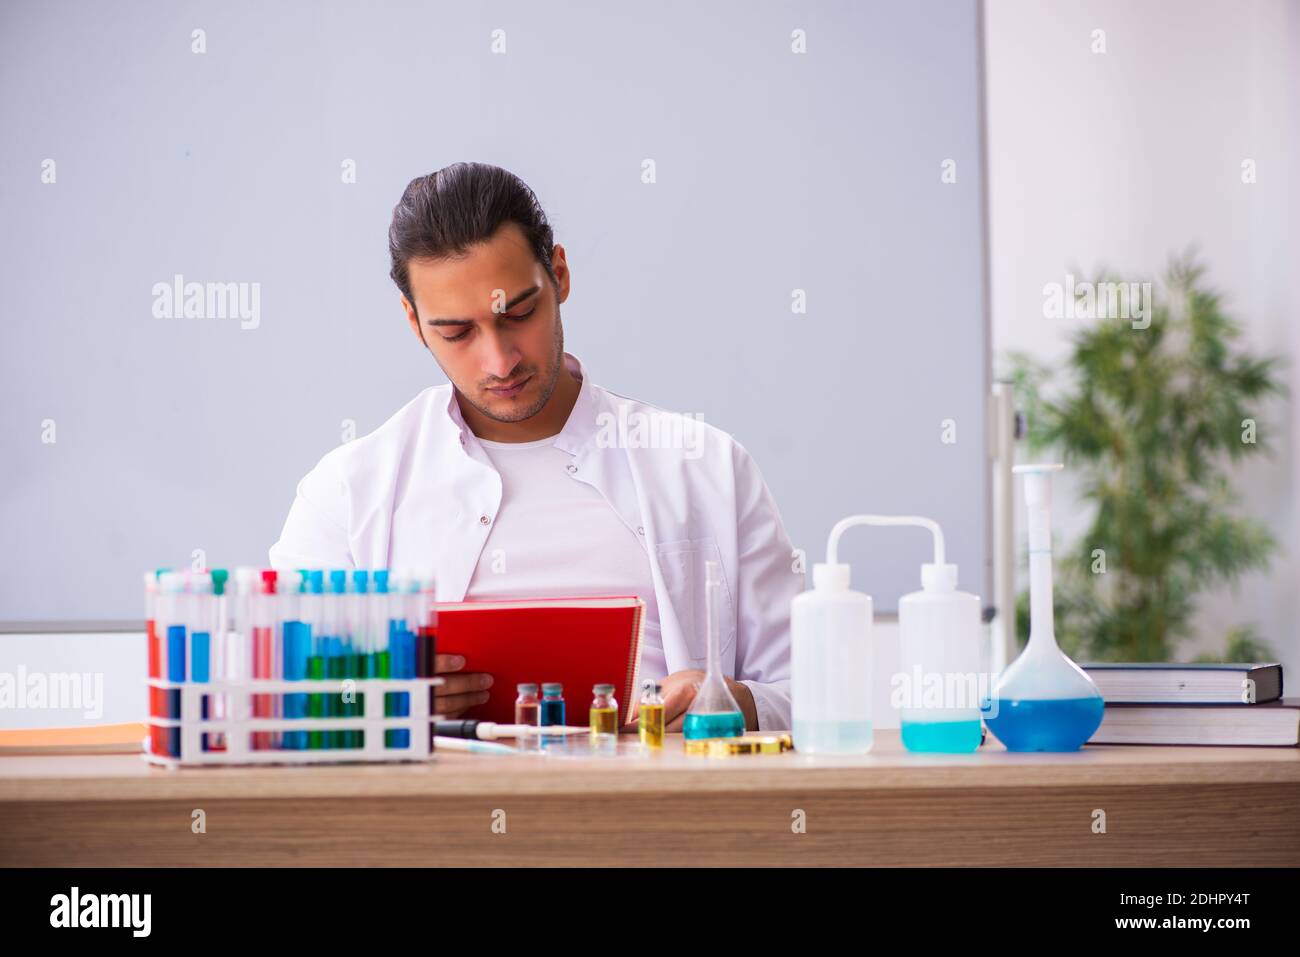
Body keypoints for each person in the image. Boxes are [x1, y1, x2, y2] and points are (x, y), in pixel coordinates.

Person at [270, 162, 801, 731]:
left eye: (518, 314)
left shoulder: (706, 467)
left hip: (655, 808)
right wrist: (381, 701)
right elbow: (276, 700)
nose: (499, 362)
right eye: (456, 333)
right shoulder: (347, 492)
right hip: (435, 815)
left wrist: (735, 701)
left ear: (560, 275)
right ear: (414, 321)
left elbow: (808, 692)